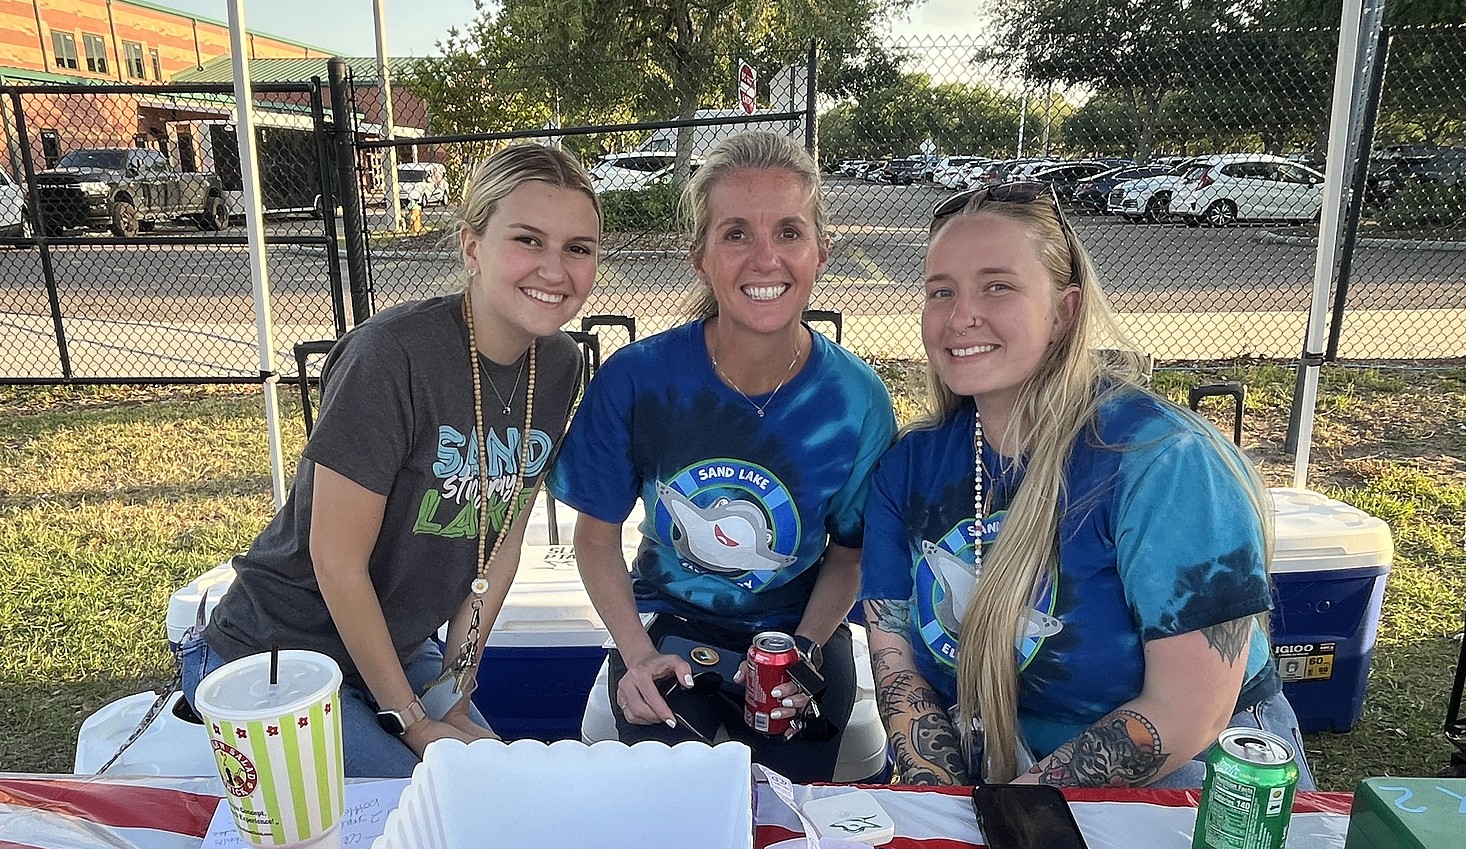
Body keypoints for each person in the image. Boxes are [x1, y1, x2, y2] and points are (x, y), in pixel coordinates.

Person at [860, 180, 1313, 789]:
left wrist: (1012, 815)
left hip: (1188, 785)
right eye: (941, 292)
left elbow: (1188, 713)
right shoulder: (907, 467)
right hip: (986, 768)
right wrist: (942, 811)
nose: (961, 315)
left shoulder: (1164, 462)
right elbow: (897, 667)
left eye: (998, 286)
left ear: (1064, 311)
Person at [181, 143, 603, 777]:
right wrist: (411, 722)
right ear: (471, 247)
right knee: (420, 808)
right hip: (276, 651)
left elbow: (503, 542)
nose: (554, 268)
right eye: (528, 240)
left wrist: (458, 685)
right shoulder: (390, 356)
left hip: (398, 648)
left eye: (578, 247)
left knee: (497, 788)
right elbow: (336, 560)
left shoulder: (560, 363)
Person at [550, 131, 896, 783]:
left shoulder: (858, 401)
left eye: (789, 232)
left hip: (797, 629)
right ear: (700, 257)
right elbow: (595, 541)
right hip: (665, 621)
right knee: (672, 813)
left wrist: (806, 649)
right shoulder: (638, 380)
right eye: (736, 233)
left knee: (785, 816)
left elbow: (848, 555)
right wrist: (635, 651)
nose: (765, 259)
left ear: (821, 252)